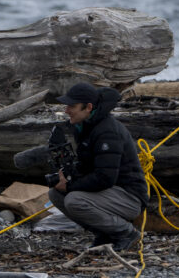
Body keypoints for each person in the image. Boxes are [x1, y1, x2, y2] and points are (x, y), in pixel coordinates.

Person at [47, 82, 148, 251]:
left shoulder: (107, 132)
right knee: (55, 194)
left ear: (88, 107)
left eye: (72, 106)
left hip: (129, 197)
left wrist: (70, 186)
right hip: (109, 193)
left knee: (73, 200)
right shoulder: (85, 126)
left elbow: (105, 178)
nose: (66, 110)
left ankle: (126, 233)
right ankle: (104, 234)